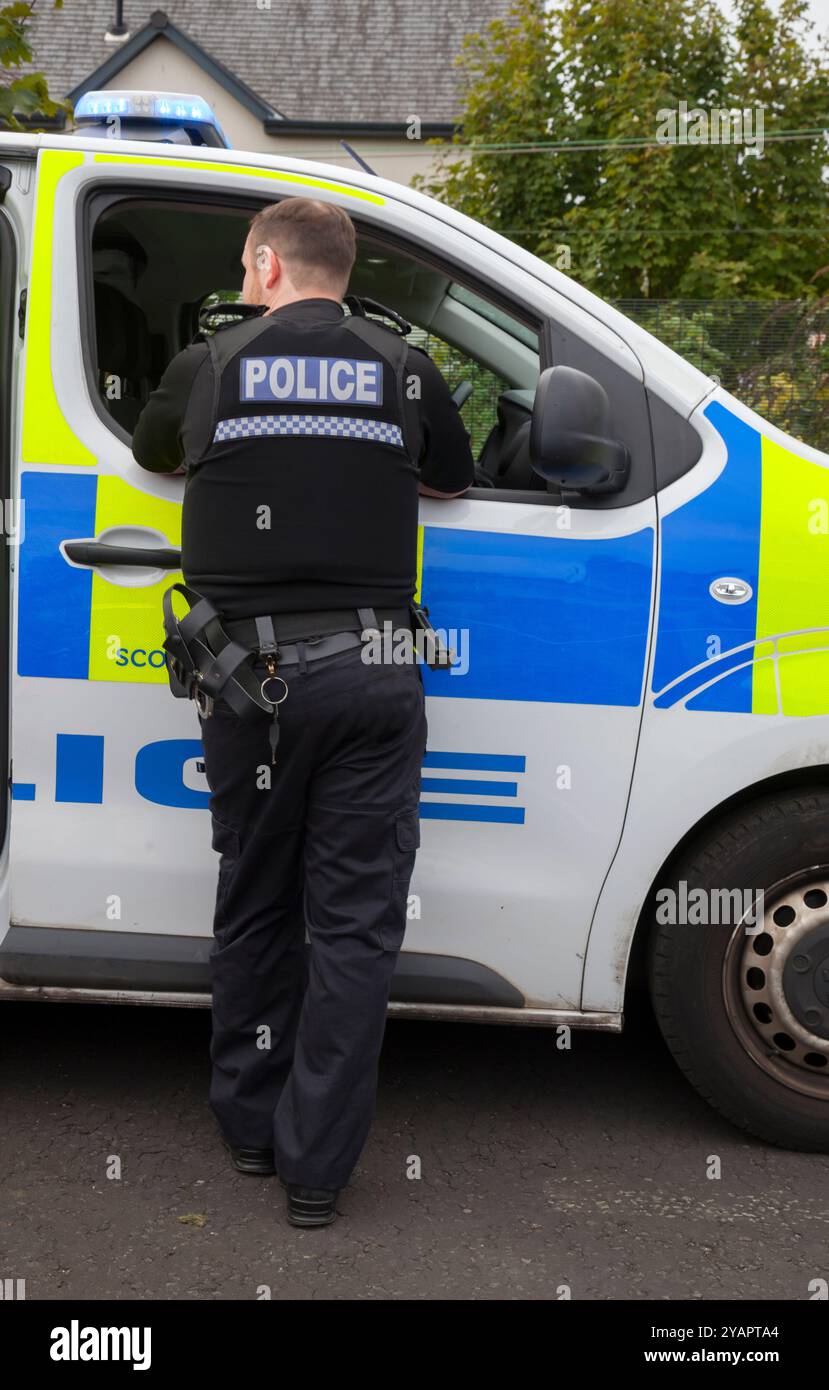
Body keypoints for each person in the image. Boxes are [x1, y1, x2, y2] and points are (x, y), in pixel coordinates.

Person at [132, 196, 474, 1227]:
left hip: (251, 679)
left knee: (256, 896)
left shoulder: (209, 366)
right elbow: (451, 474)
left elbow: (155, 453)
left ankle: (245, 1123)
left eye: (245, 268)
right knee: (357, 926)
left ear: (270, 268)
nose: (243, 283)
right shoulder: (406, 367)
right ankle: (315, 1173)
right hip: (372, 668)